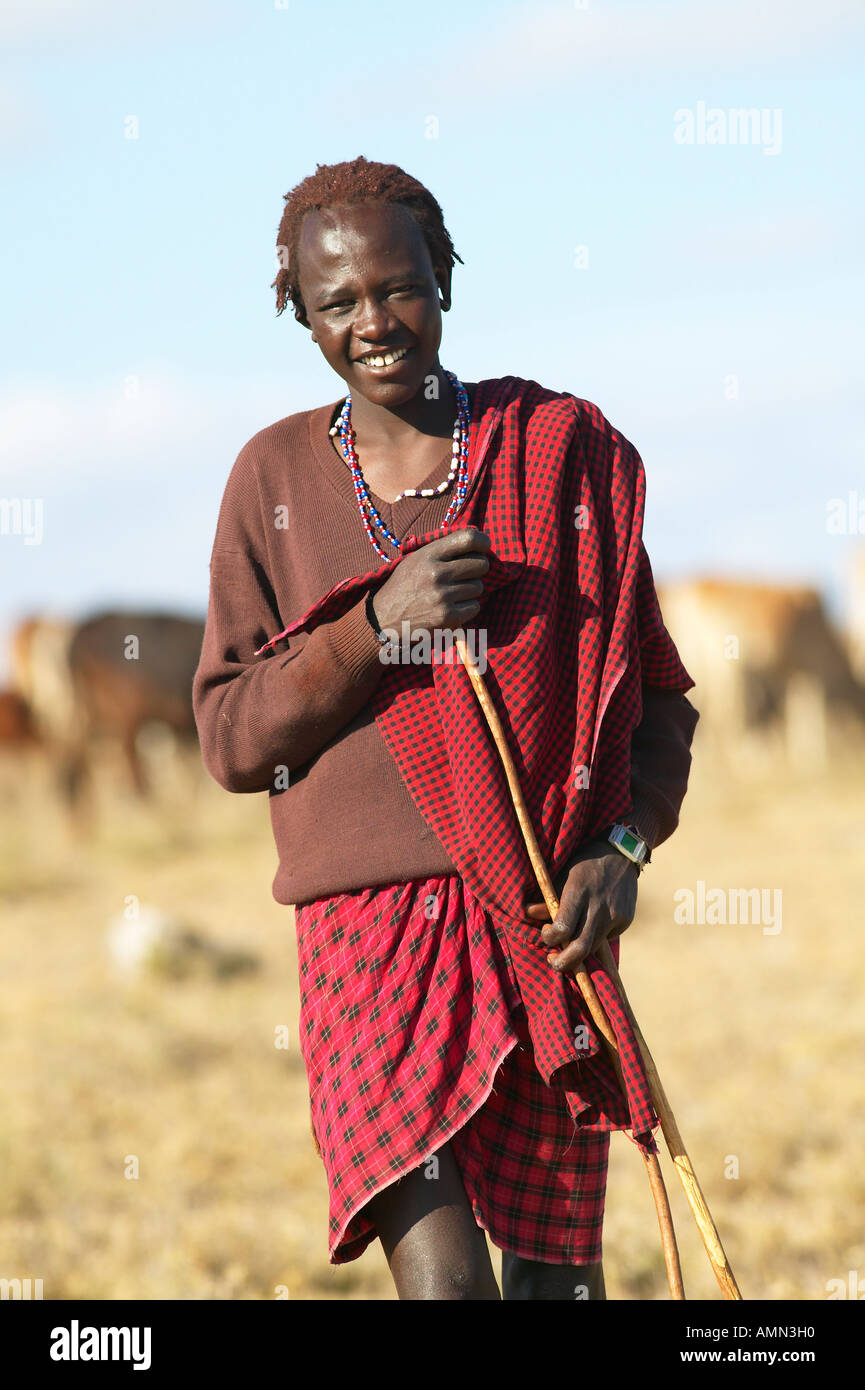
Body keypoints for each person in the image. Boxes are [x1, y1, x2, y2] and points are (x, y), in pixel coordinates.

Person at [192, 155, 699, 1301]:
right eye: (336, 303)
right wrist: (380, 622)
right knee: (450, 1290)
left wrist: (619, 850)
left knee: (557, 1288)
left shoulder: (558, 452)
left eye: (398, 287)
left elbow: (656, 699)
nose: (373, 323)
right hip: (367, 944)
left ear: (445, 278)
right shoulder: (270, 480)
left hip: (541, 919)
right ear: (300, 314)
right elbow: (232, 737)